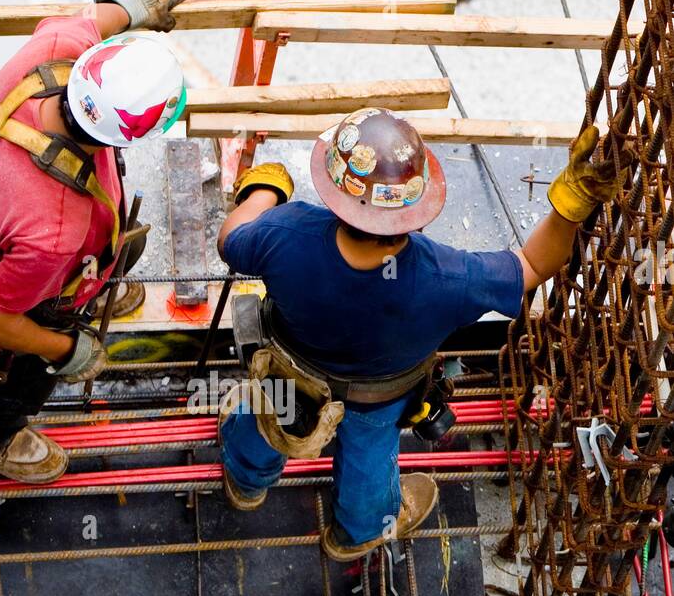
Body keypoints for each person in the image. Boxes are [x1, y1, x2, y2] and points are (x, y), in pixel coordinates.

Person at [217, 109, 616, 559]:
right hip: (377, 399)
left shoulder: (285, 233)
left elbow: (232, 239)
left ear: (335, 197)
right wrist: (569, 206)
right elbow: (533, 265)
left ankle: (246, 482)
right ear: (416, 211)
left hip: (290, 378)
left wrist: (262, 191)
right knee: (369, 458)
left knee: (263, 421)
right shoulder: (448, 278)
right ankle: (358, 531)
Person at [0, 0, 189, 483]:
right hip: (16, 292)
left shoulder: (55, 51)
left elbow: (96, 18)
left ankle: (92, 289)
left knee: (124, 239)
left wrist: (133, 5)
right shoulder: (56, 231)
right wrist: (67, 351)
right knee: (15, 381)